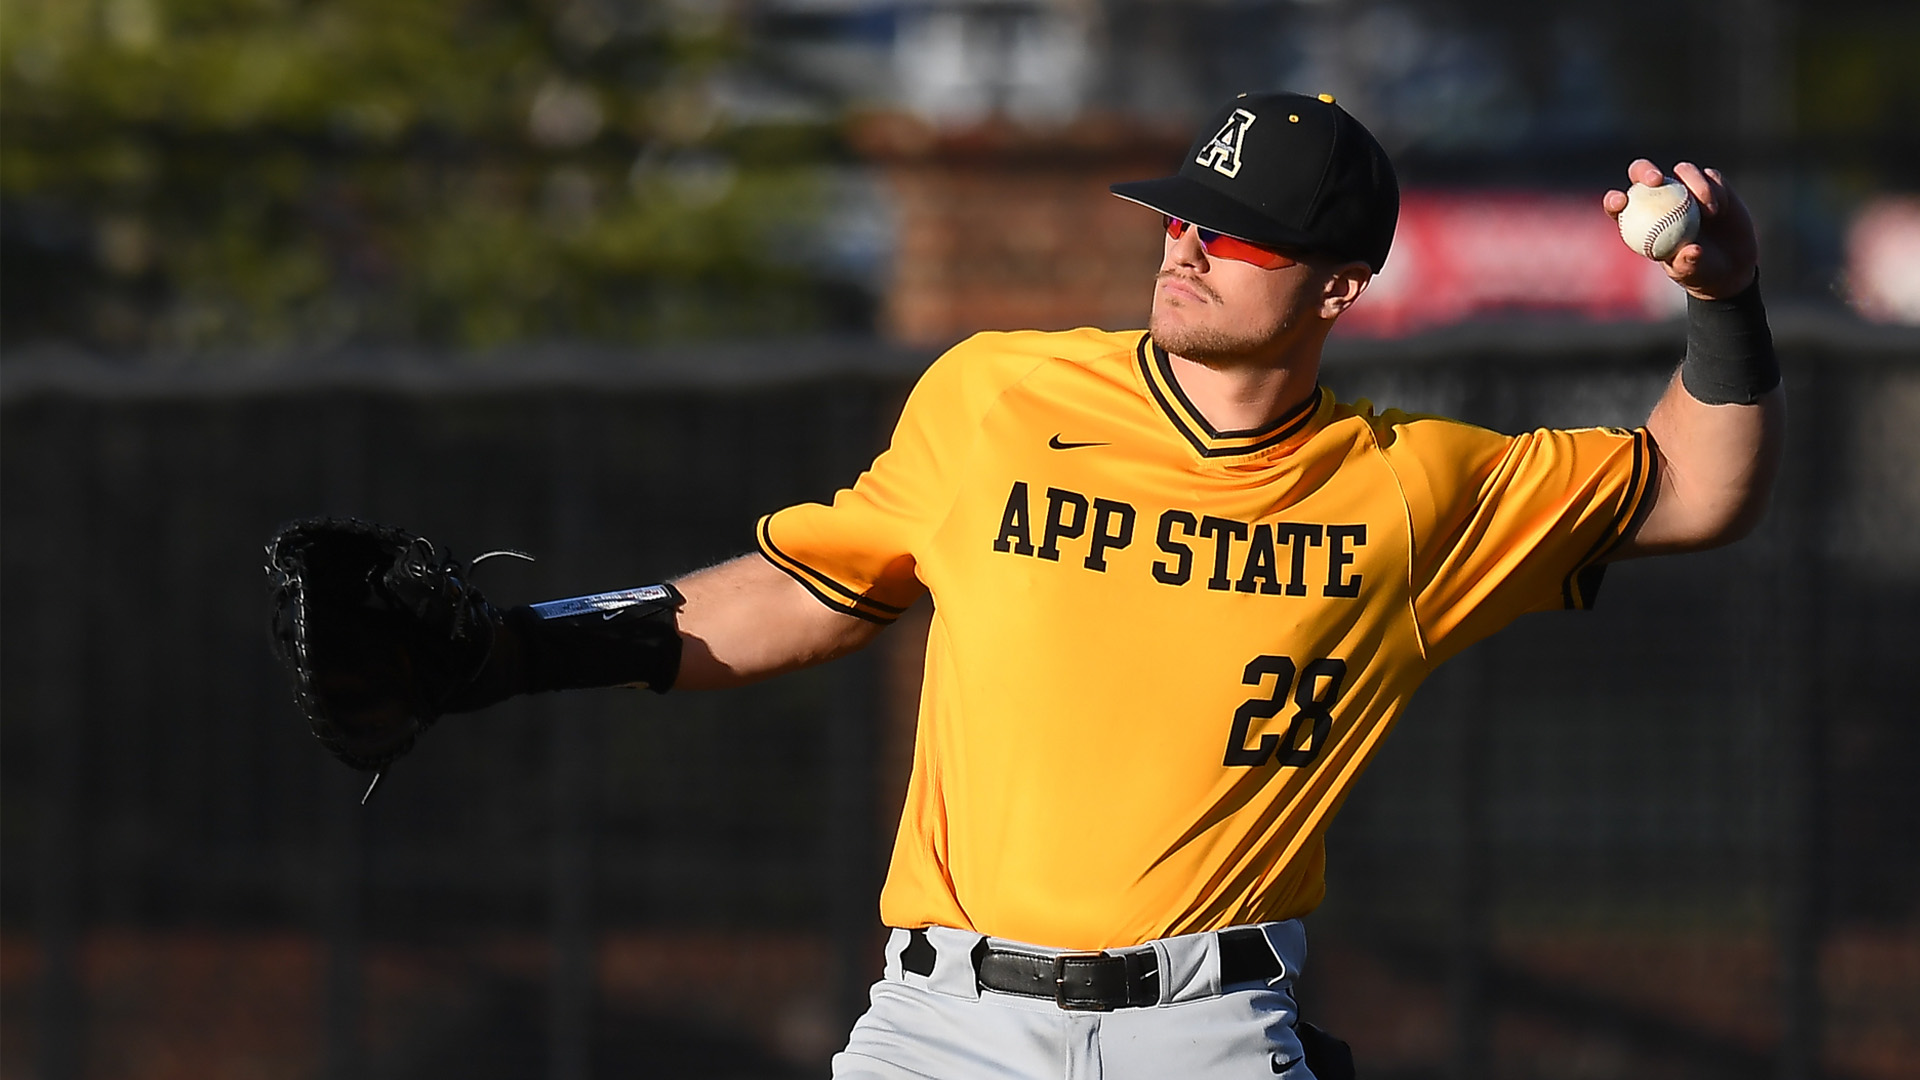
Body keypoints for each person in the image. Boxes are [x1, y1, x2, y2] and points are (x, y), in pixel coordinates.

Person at [288, 91, 1779, 1079]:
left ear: (1336, 285)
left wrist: (1722, 298)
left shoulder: (1421, 487)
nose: (1187, 241)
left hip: (1207, 1026)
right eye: (1183, 210)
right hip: (945, 1021)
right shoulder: (998, 395)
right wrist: (508, 653)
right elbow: (812, 588)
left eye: (1238, 228)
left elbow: (1697, 484)